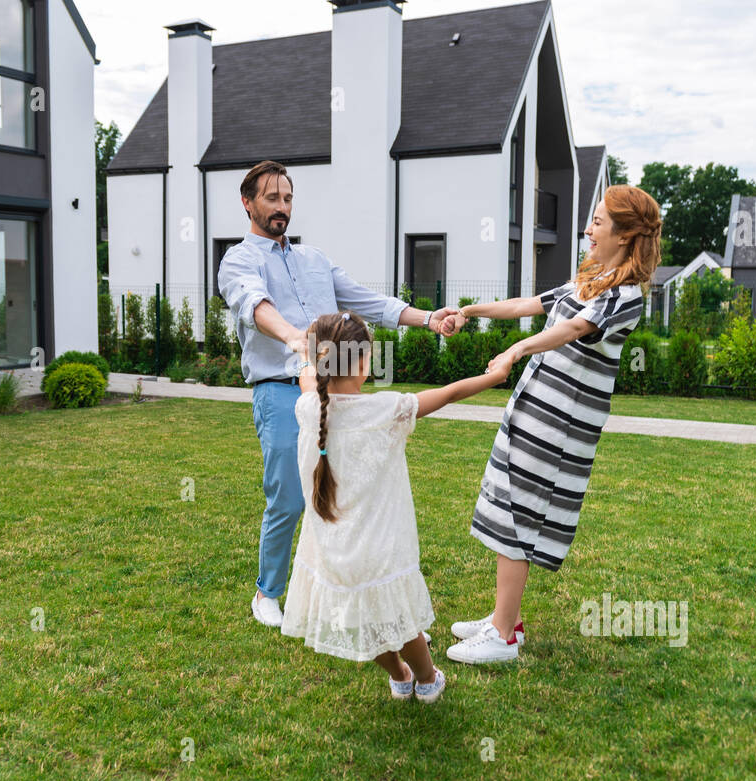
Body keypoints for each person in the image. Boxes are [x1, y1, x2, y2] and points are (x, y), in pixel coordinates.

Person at [216, 160, 463, 629]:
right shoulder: (239, 260)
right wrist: (294, 338)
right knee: (290, 498)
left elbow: (368, 301)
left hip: (337, 392)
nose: (281, 208)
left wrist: (428, 319)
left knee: (344, 497)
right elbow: (254, 304)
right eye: (271, 198)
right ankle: (267, 592)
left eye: (287, 199)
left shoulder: (314, 259)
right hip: (280, 392)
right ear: (247, 203)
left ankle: (343, 592)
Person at [445, 185, 662, 664]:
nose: (588, 230)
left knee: (520, 514)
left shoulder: (624, 296)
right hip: (536, 409)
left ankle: (501, 637)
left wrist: (520, 349)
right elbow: (531, 306)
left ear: (625, 236)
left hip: (560, 425)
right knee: (508, 504)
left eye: (599, 222)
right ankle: (507, 620)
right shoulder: (591, 282)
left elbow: (570, 330)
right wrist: (470, 310)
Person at [281, 310, 508, 701]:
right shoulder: (387, 409)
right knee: (401, 624)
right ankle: (425, 677)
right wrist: (496, 375)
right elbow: (451, 392)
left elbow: (305, 376)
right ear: (363, 363)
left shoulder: (308, 409)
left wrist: (304, 352)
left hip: (334, 556)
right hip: (380, 552)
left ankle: (400, 674)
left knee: (371, 624)